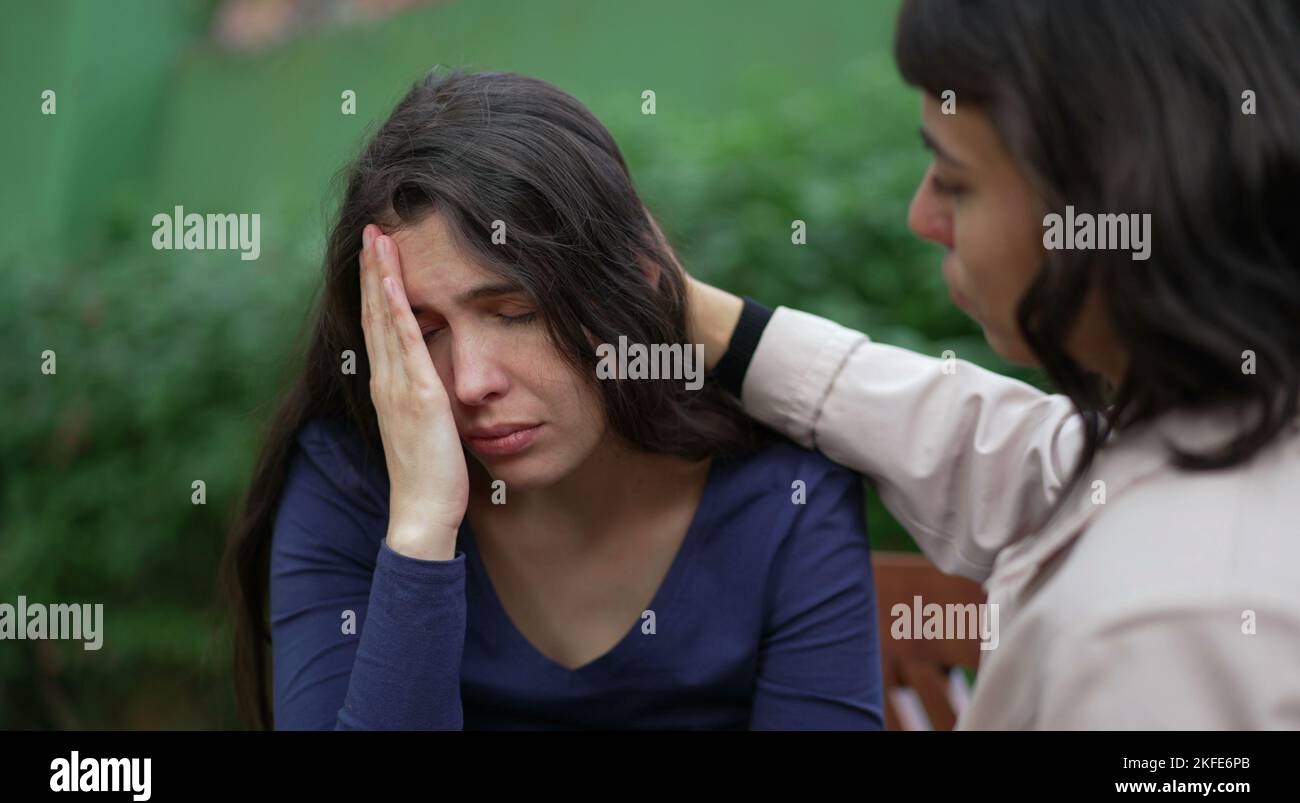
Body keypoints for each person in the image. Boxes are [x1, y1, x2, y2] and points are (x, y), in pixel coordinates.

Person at [684, 0, 1300, 729]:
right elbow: (1031, 463)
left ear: (1113, 192)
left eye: (954, 180)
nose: (923, 217)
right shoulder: (1237, 432)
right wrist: (723, 331)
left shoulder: (1163, 633)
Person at [220, 69, 884, 730]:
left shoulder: (786, 494)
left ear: (634, 281)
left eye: (516, 312)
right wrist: (420, 535)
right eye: (423, 331)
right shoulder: (351, 478)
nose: (470, 382)